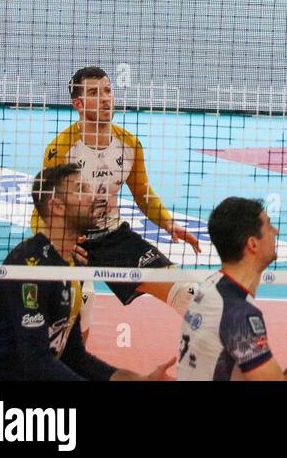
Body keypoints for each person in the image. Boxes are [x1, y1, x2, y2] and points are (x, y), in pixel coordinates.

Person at [0, 163, 174, 381]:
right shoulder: (29, 265)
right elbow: (36, 361)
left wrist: (138, 380)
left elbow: (73, 356)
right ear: (57, 207)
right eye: (81, 190)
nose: (94, 197)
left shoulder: (73, 266)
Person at [34, 67, 202, 318]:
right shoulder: (61, 149)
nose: (105, 98)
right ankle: (70, 358)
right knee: (80, 301)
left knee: (190, 293)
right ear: (79, 104)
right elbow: (42, 207)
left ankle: (197, 356)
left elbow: (142, 192)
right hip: (73, 240)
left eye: (108, 91)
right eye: (94, 92)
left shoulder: (129, 145)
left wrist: (168, 222)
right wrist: (53, 242)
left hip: (114, 237)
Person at [178, 197, 287, 381]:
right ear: (253, 244)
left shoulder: (210, 286)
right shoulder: (239, 314)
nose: (276, 231)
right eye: (269, 226)